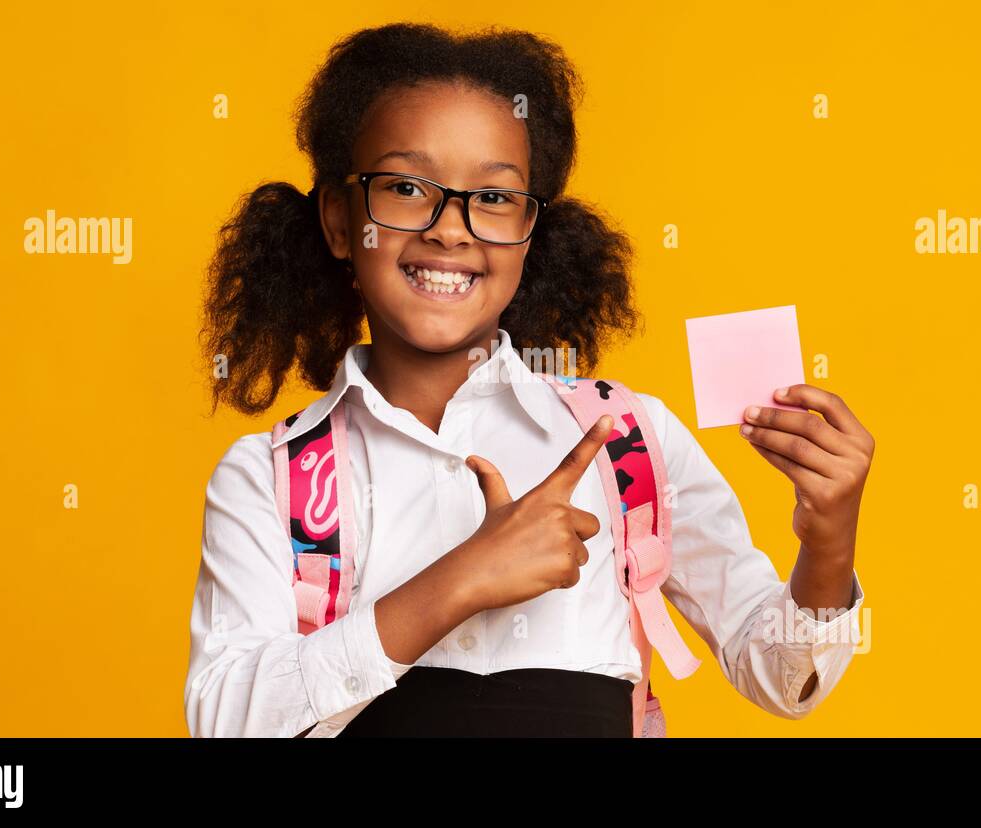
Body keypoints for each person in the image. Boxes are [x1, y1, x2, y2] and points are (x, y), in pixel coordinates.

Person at [185, 22, 873, 738]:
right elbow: (228, 723)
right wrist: (462, 579)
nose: (451, 229)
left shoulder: (628, 442)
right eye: (405, 187)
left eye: (494, 198)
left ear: (532, 232)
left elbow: (784, 677)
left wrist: (828, 542)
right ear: (337, 219)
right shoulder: (270, 482)